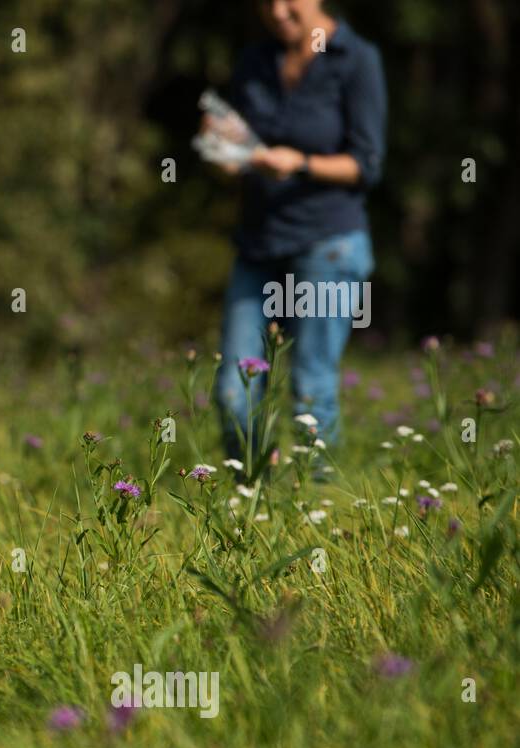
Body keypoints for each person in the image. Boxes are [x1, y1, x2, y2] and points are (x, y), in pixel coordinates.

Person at [210, 0, 387, 467]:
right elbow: (242, 152)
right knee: (234, 389)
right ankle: (250, 503)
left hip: (327, 243)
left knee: (311, 385)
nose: (276, 10)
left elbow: (366, 164)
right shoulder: (255, 60)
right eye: (265, 2)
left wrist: (301, 163)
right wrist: (226, 150)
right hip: (259, 245)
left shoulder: (355, 59)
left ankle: (317, 505)